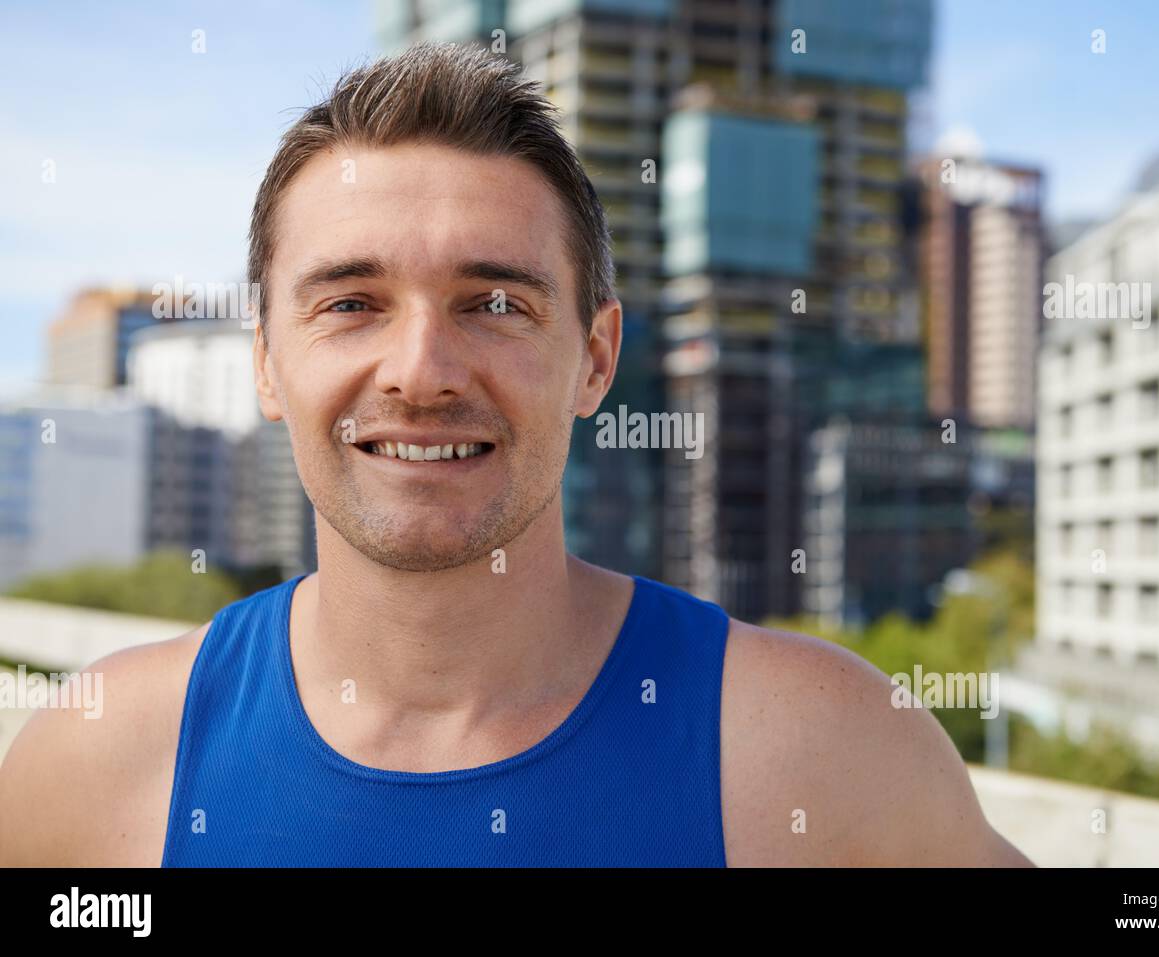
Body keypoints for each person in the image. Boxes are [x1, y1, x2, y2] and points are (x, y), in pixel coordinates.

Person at [0, 42, 1032, 868]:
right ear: (267, 365)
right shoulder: (99, 761)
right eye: (351, 304)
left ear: (593, 362)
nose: (420, 371)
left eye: (494, 304)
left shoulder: (824, 753)